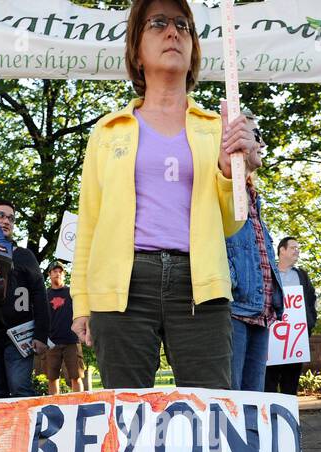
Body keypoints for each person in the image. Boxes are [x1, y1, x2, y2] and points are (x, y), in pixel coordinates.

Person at [69, 0, 260, 388]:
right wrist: (81, 302)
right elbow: (88, 224)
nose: (173, 32)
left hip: (201, 284)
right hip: (121, 288)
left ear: (193, 53)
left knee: (210, 415)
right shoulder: (107, 132)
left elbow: (231, 222)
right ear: (136, 52)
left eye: (183, 25)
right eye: (157, 23)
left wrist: (231, 171)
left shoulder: (217, 128)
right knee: (124, 417)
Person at [225, 174, 283, 391]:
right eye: (255, 138)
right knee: (233, 392)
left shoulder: (255, 202)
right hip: (237, 308)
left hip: (262, 311)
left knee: (254, 393)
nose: (259, 145)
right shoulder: (227, 197)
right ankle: (234, 427)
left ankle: (251, 427)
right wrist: (233, 281)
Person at [0, 198, 49, 399]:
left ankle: (29, 431)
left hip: (19, 337)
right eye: (0, 215)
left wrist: (41, 334)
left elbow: (40, 294)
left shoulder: (24, 256)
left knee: (20, 389)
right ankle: (2, 432)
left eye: (11, 218)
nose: (6, 221)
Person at [266, 235, 319, 395]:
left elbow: (311, 300)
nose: (297, 251)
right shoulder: (269, 272)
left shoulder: (301, 275)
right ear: (282, 250)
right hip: (273, 337)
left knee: (291, 380)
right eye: (293, 248)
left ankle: (288, 416)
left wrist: (309, 323)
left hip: (296, 338)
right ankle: (269, 415)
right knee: (270, 379)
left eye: (298, 248)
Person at [40, 262, 84, 394]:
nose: (57, 274)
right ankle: (54, 407)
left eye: (60, 271)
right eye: (54, 271)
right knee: (52, 378)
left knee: (76, 377)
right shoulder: (44, 295)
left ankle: (79, 405)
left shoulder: (72, 293)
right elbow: (40, 318)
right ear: (49, 274)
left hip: (72, 340)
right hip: (52, 342)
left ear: (64, 274)